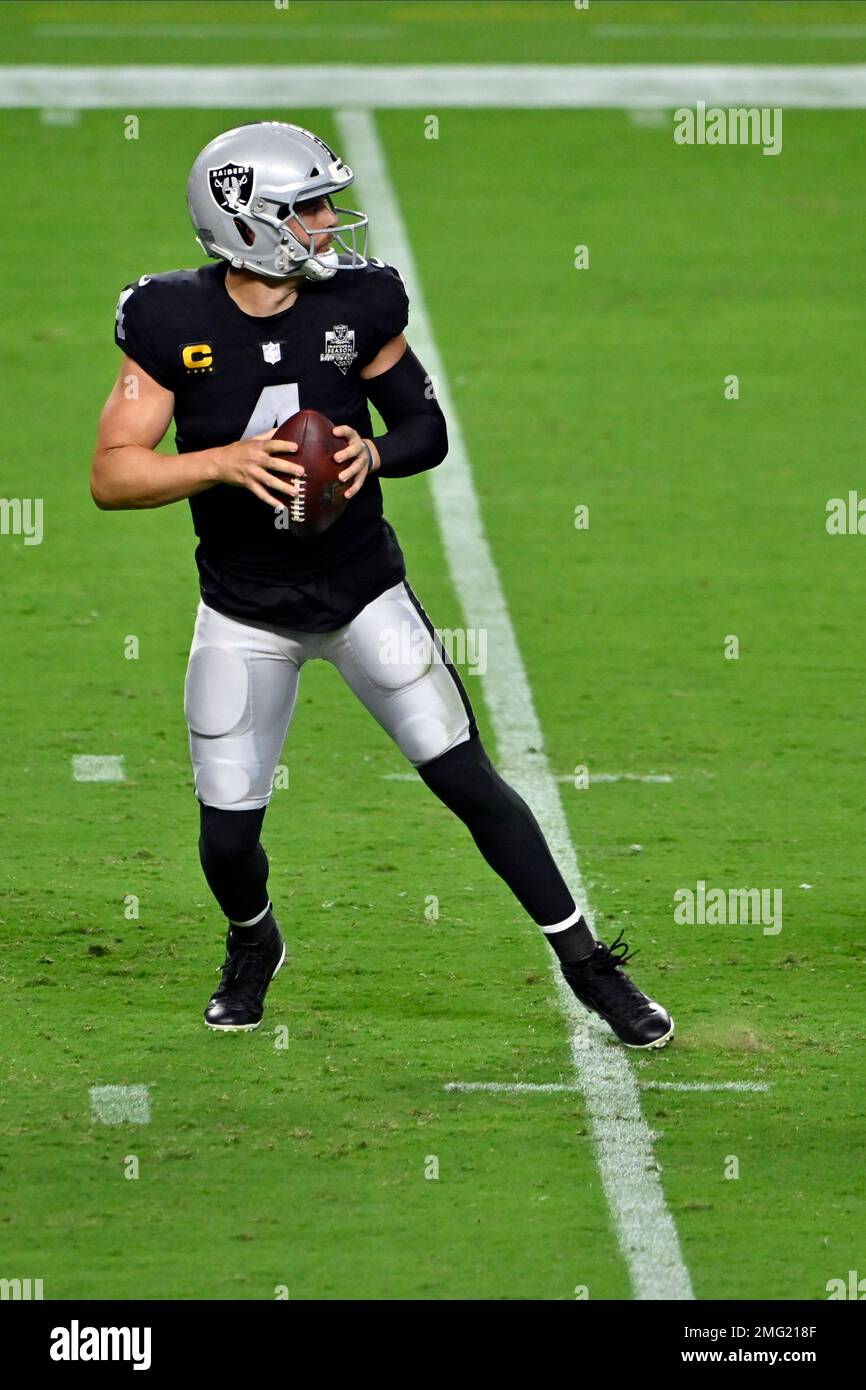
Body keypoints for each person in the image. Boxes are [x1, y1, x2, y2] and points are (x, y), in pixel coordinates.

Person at [90, 121, 673, 1048]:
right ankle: (254, 940)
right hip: (245, 612)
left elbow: (425, 429)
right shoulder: (170, 320)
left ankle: (590, 967)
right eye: (308, 207)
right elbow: (114, 475)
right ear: (247, 222)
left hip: (363, 593)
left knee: (470, 783)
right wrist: (223, 463)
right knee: (228, 837)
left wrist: (373, 449)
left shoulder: (358, 302)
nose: (328, 221)